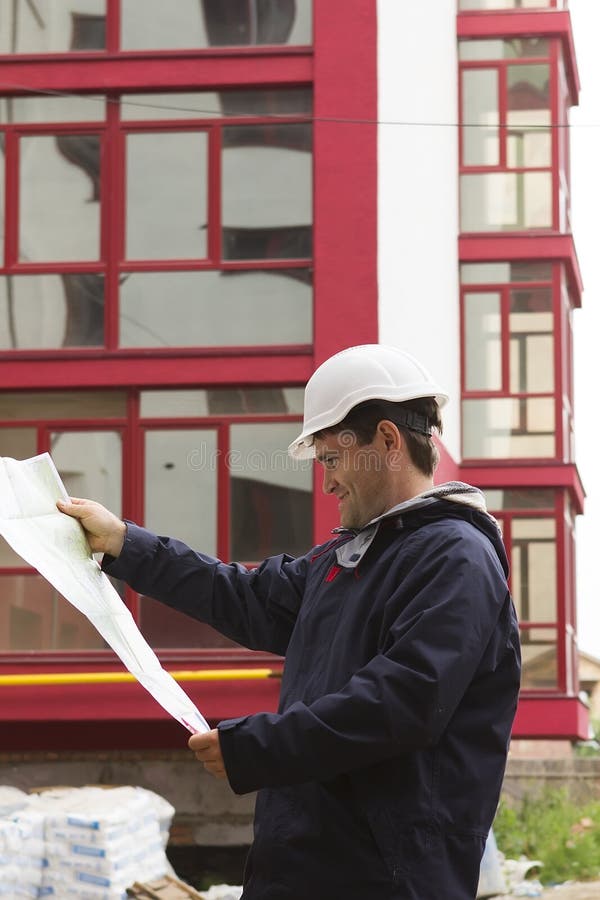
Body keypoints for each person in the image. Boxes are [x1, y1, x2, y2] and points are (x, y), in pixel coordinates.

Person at [57, 344, 521, 900]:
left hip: (386, 880)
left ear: (388, 442)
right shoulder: (348, 560)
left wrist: (254, 747)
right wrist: (126, 544)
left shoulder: (454, 556)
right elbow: (245, 597)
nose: (326, 484)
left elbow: (403, 703)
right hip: (306, 870)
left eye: (331, 460)